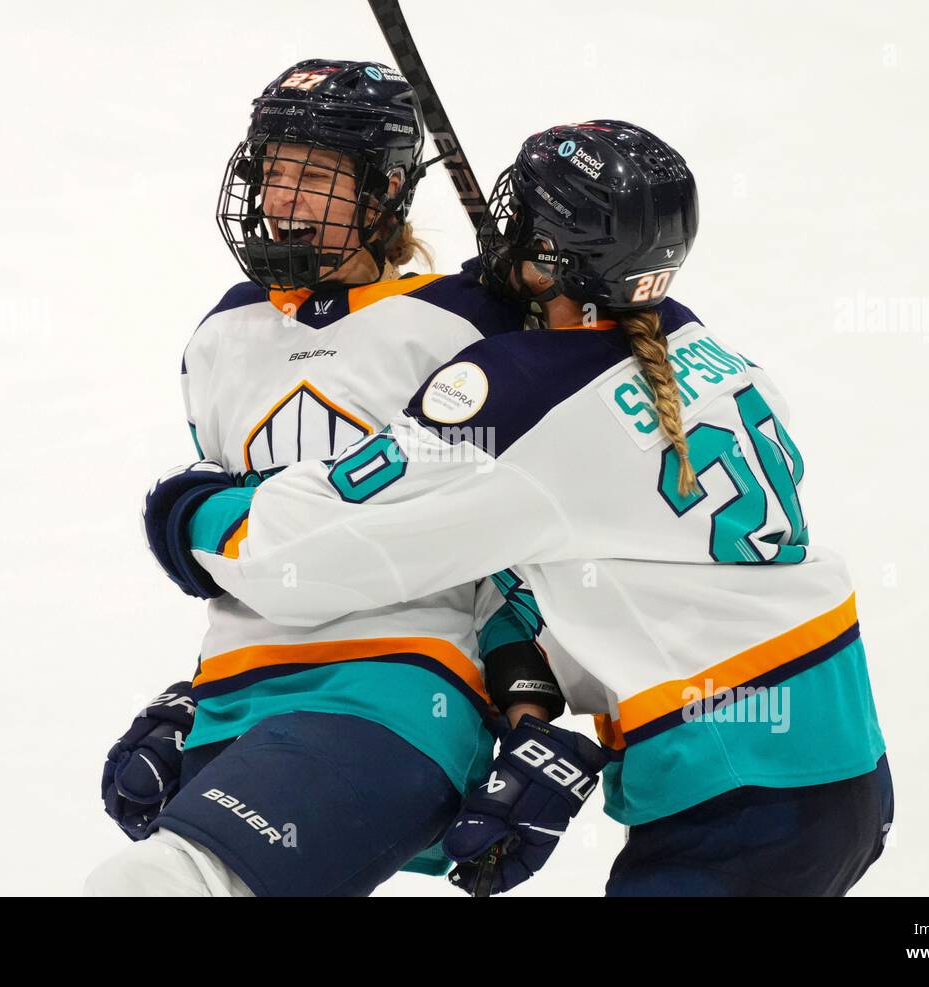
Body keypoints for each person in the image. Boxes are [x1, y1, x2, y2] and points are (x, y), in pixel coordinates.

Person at [142, 120, 894, 896]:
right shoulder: (688, 336)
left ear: (552, 261)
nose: (498, 235)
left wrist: (190, 510)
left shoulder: (522, 398)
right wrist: (531, 707)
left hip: (742, 796)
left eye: (519, 223)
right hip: (838, 756)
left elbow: (316, 545)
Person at [87, 60, 564, 897]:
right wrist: (193, 697)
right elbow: (257, 553)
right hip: (241, 700)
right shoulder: (220, 335)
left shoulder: (464, 327)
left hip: (398, 689)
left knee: (152, 887)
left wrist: (527, 718)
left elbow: (517, 552)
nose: (285, 197)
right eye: (273, 170)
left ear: (383, 191)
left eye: (314, 175)